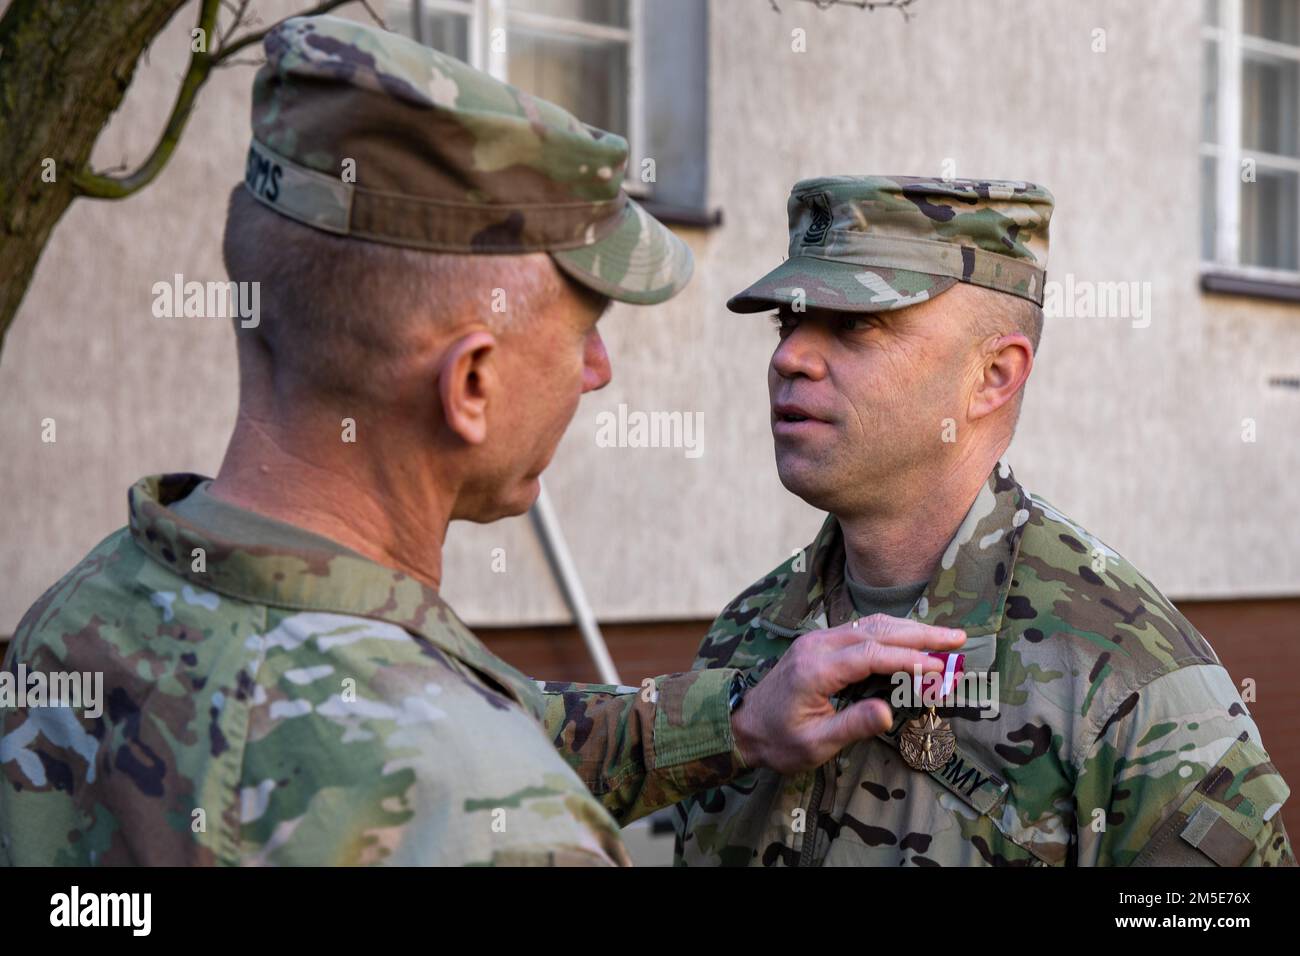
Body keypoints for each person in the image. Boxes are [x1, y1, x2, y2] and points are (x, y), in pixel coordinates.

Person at [0, 22, 963, 866]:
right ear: (469, 384)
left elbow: (445, 712)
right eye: (585, 326)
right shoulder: (500, 824)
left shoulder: (78, 627)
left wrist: (738, 723)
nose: (599, 370)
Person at [673, 175, 1294, 867]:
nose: (789, 356)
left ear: (994, 374)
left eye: (855, 324)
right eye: (789, 321)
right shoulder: (747, 639)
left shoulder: (1129, 686)